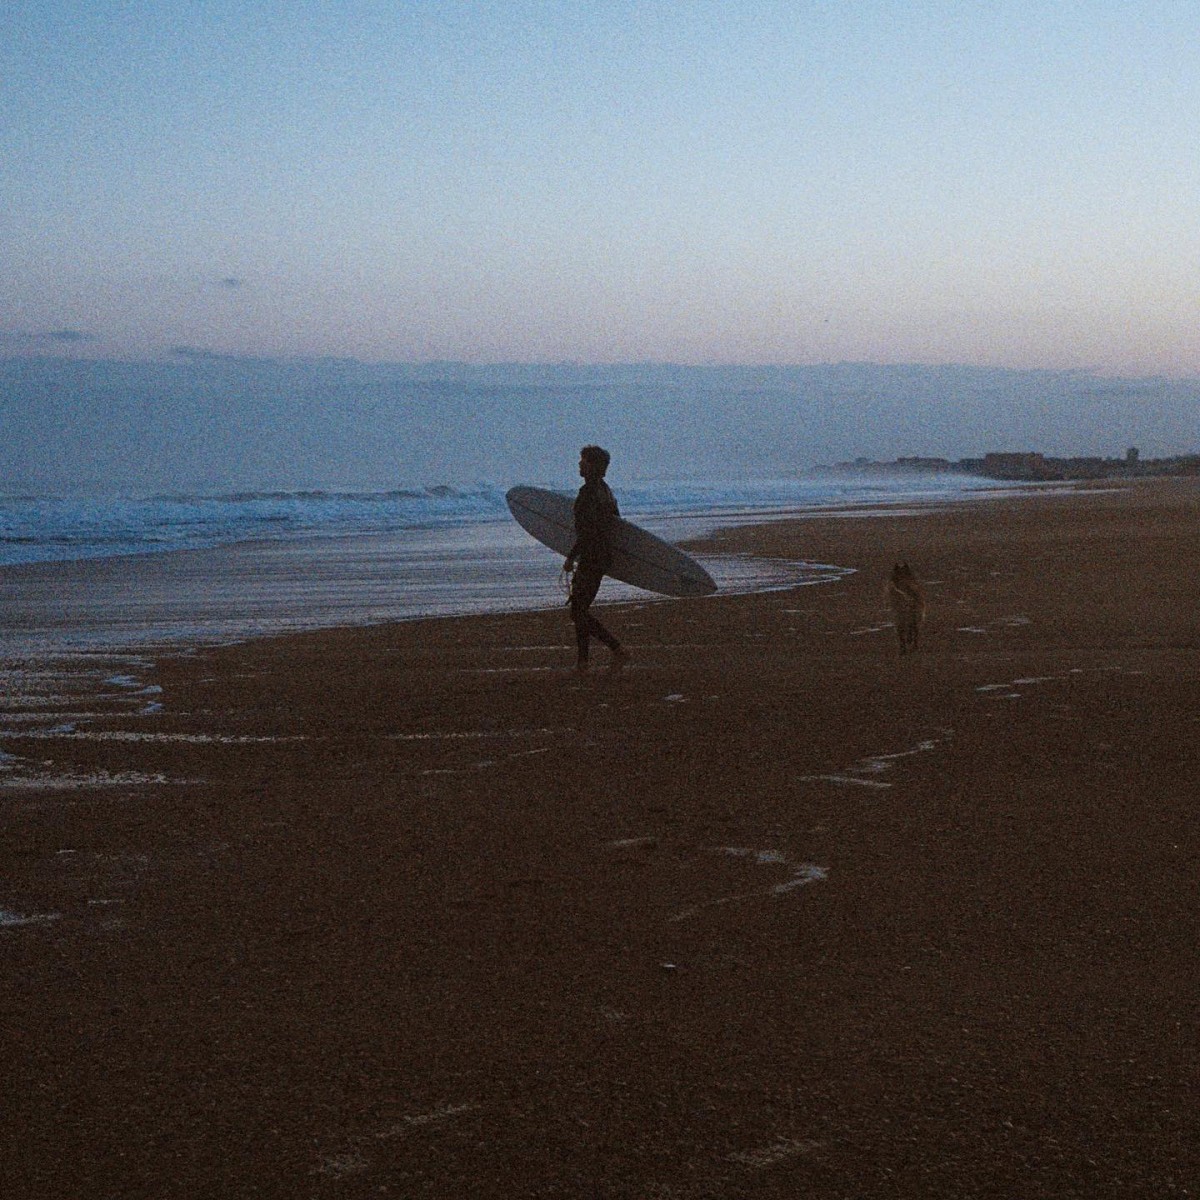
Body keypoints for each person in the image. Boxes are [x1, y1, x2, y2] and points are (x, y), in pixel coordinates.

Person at [564, 445, 628, 671]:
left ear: (594, 466)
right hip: (601, 556)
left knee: (578, 610)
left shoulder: (588, 493)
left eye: (584, 461)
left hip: (591, 557)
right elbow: (614, 526)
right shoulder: (606, 491)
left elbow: (588, 530)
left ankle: (615, 649)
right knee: (580, 609)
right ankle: (584, 661)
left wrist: (571, 556)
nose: (580, 465)